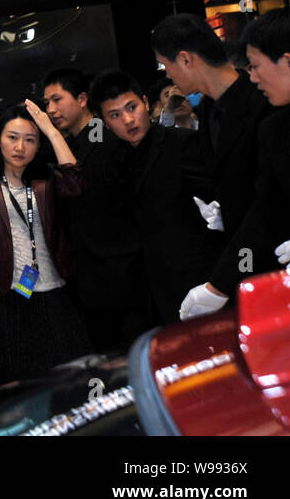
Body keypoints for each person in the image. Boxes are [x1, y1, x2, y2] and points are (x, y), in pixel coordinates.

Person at [0, 100, 91, 389]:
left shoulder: (46, 178)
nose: (20, 147)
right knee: (18, 386)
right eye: (13, 137)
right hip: (8, 296)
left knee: (70, 381)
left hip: (55, 290)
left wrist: (51, 130)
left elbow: (76, 183)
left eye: (30, 139)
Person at [182, 7, 290, 317]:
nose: (253, 77)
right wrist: (217, 286)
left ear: (289, 61)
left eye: (256, 66)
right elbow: (267, 208)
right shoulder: (276, 128)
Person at [88, 70, 220, 324]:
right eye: (115, 115)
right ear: (104, 122)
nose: (128, 120)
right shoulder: (112, 163)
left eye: (132, 107)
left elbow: (213, 208)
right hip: (147, 292)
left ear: (146, 103)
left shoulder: (182, 143)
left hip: (197, 279)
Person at [40, 67, 140, 349]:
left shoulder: (103, 137)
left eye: (57, 99)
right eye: (47, 103)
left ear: (82, 99)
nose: (51, 109)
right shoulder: (69, 143)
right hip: (87, 275)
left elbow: (86, 188)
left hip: (119, 272)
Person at [152, 13, 271, 237]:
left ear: (185, 59)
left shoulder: (263, 100)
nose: (168, 75)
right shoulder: (207, 107)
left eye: (166, 65)